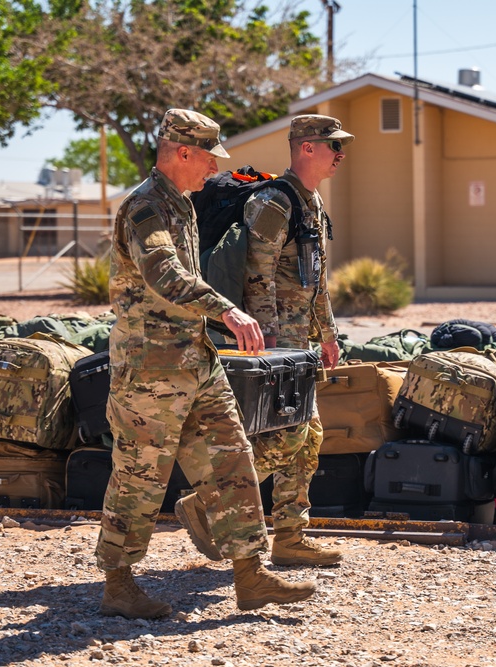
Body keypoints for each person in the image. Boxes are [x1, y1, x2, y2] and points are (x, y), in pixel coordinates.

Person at [96, 108, 317, 620]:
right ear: (182, 153)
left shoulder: (184, 206)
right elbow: (163, 273)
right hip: (149, 371)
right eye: (207, 159)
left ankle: (249, 574)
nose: (213, 171)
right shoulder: (145, 208)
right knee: (139, 477)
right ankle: (119, 584)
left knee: (231, 459)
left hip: (196, 361)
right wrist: (228, 308)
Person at [175, 114, 353, 567]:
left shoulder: (311, 202)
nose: (341, 154)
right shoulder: (275, 202)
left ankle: (291, 535)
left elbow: (317, 282)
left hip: (300, 346)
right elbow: (259, 276)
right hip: (275, 347)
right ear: (306, 147)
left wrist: (328, 334)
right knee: (290, 437)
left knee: (306, 437)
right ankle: (211, 504)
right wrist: (271, 344)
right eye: (333, 145)